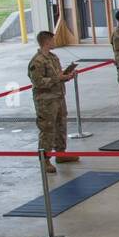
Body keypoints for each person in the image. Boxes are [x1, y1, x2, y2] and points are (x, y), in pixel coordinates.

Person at [27, 30, 78, 174]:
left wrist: (67, 76)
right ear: (46, 42)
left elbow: (58, 75)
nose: (55, 42)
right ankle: (45, 160)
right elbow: (38, 82)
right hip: (46, 102)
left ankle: (61, 154)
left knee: (61, 126)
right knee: (47, 129)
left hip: (58, 97)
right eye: (52, 40)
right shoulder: (37, 61)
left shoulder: (53, 58)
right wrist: (59, 78)